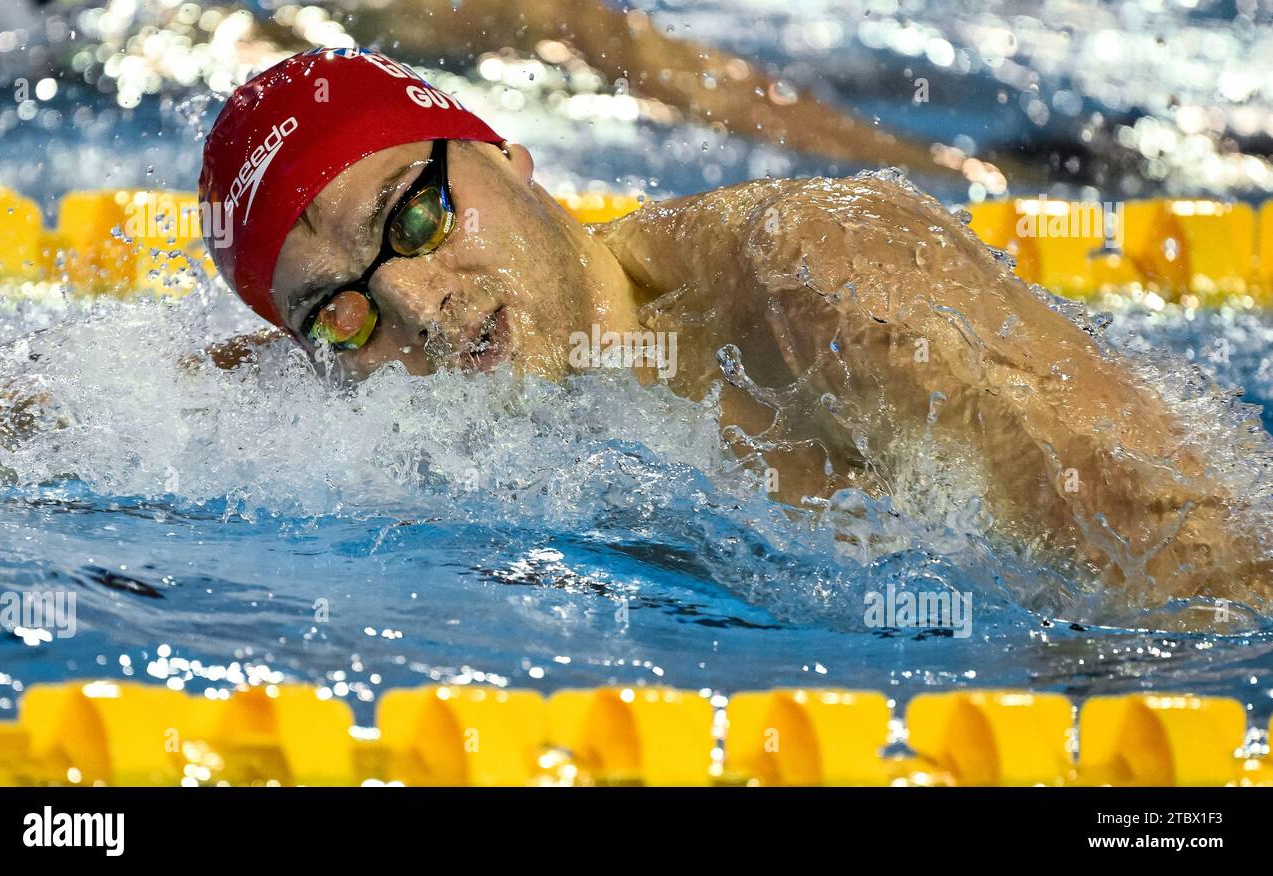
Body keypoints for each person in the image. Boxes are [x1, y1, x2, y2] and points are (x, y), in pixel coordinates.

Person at [192, 47, 1268, 615]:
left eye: (416, 214)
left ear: (506, 155)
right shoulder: (369, 393)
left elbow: (1191, 567)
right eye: (341, 309)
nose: (418, 310)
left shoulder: (813, 282)